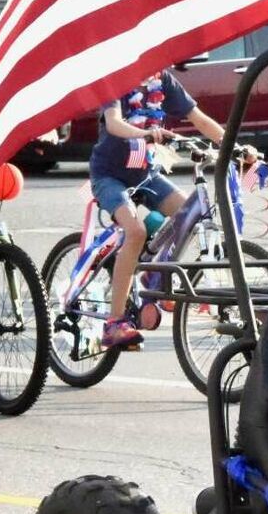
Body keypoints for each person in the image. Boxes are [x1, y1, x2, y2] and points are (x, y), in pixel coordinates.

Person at [90, 68, 226, 349]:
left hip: (145, 173)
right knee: (136, 231)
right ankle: (114, 323)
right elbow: (114, 123)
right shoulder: (114, 77)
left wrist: (234, 145)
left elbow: (198, 118)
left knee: (190, 213)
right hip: (109, 175)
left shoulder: (161, 79)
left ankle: (154, 273)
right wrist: (146, 133)